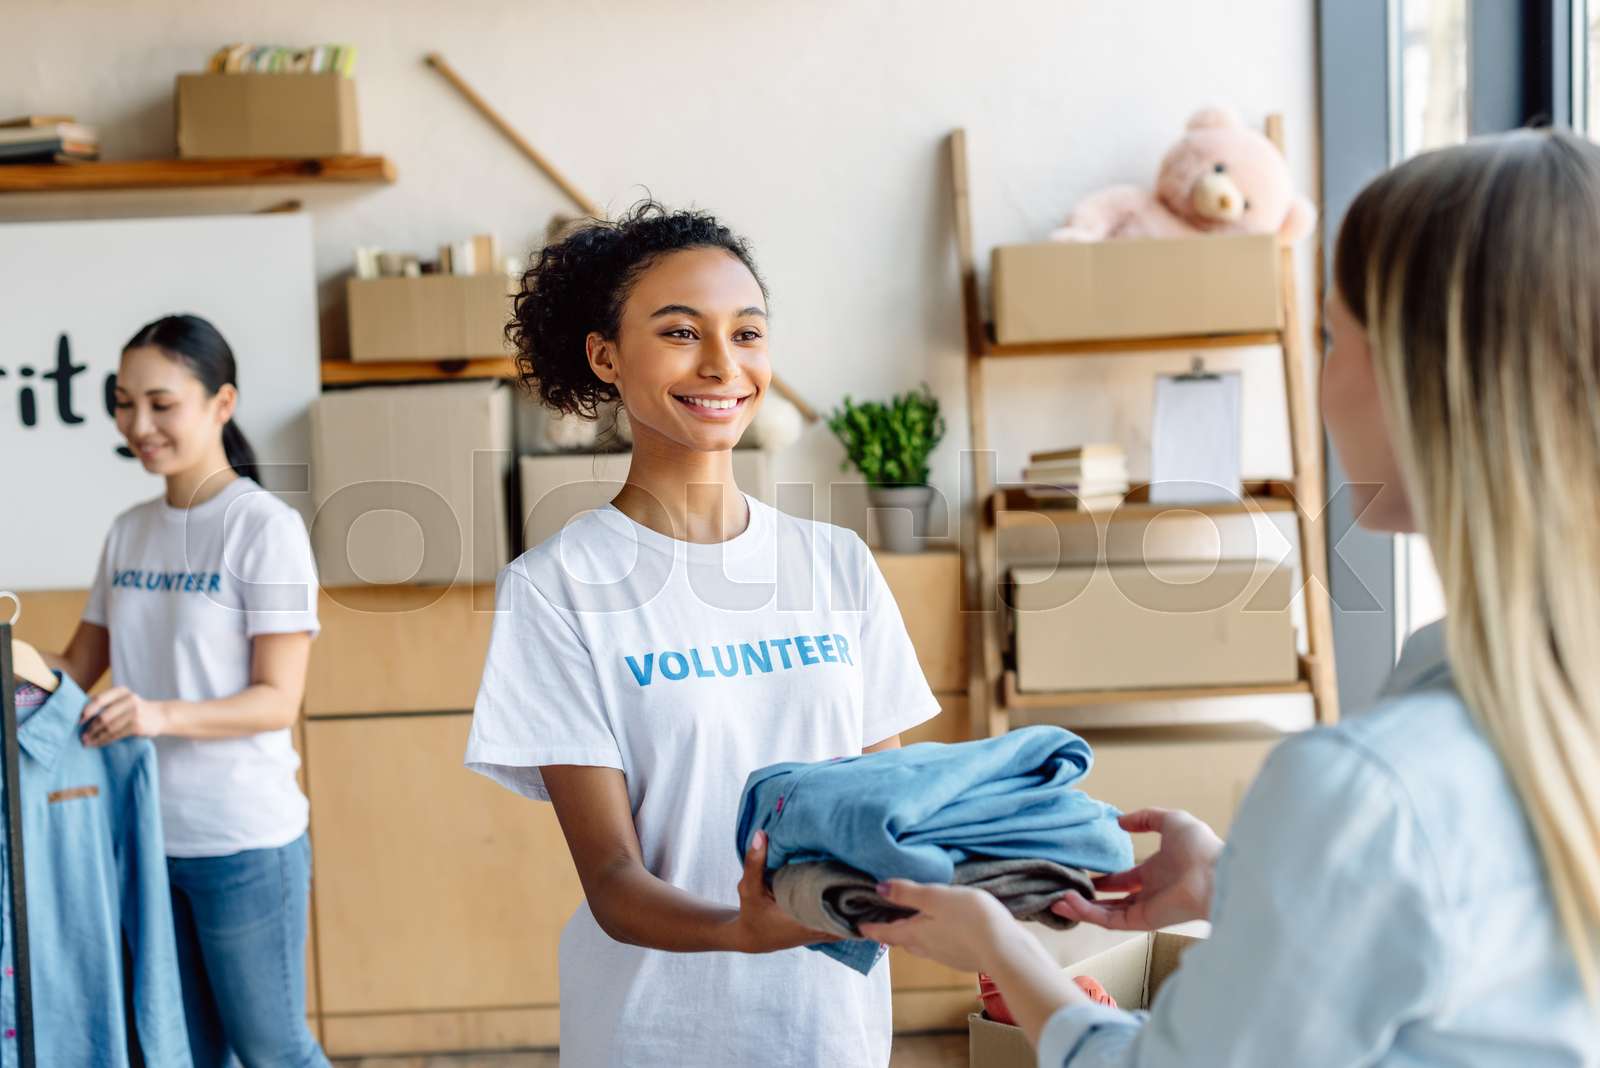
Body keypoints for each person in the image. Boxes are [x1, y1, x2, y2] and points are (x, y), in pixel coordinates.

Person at [859, 129, 1600, 1063]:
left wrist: (1001, 951)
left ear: (1419, 380)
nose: (1321, 376)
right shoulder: (1492, 709)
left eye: (1333, 335)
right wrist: (1254, 886)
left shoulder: (1367, 787)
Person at [465, 202, 942, 1067]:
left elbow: (885, 812)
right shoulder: (556, 591)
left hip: (832, 1030)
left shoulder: (836, 565)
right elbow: (613, 881)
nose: (724, 364)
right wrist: (745, 929)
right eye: (681, 332)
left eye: (748, 333)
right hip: (656, 1033)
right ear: (605, 356)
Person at [49, 314, 328, 1068]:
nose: (139, 424)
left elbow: (277, 699)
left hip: (242, 840)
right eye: (124, 401)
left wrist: (155, 713)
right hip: (144, 834)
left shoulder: (262, 528)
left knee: (272, 1048)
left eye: (161, 403)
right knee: (185, 1051)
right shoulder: (130, 530)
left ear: (221, 403)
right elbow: (76, 666)